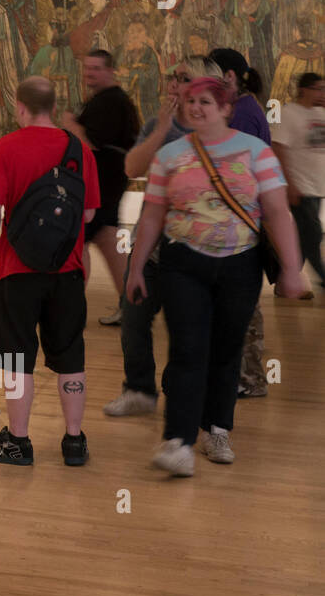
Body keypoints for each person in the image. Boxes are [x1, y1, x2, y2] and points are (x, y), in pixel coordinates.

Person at [127, 77, 304, 477]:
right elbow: (153, 215)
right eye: (190, 101)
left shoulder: (255, 152)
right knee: (188, 350)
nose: (196, 108)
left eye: (206, 101)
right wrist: (136, 267)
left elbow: (277, 213)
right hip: (182, 264)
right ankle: (178, 441)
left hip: (240, 265)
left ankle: (217, 430)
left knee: (226, 351)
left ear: (226, 109)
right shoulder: (170, 156)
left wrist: (291, 271)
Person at [0, 76, 100, 467]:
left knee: (16, 357)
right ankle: (73, 441)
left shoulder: (5, 148)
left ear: (20, 107)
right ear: (54, 106)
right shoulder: (79, 150)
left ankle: (18, 443)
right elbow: (90, 213)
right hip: (68, 270)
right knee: (70, 355)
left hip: (17, 270)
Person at [104, 56, 220, 416]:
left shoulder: (219, 131)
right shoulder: (159, 124)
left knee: (187, 331)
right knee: (134, 317)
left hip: (193, 249)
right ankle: (139, 389)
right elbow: (132, 167)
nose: (174, 83)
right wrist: (161, 129)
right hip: (151, 247)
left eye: (184, 78)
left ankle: (181, 396)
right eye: (174, 76)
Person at [208, 48, 274, 396]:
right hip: (238, 222)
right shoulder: (244, 108)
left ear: (230, 77)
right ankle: (242, 376)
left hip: (243, 223)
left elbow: (240, 170)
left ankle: (250, 379)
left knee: (245, 309)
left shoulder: (245, 113)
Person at [62, 49, 140, 325]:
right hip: (102, 184)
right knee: (102, 241)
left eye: (96, 68)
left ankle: (70, 312)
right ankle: (129, 308)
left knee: (82, 241)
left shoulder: (111, 102)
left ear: (110, 70)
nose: (90, 73)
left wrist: (70, 125)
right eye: (87, 68)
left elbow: (91, 144)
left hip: (102, 184)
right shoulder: (103, 100)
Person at [271, 72, 325, 294]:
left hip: (318, 185)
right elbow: (278, 148)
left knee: (305, 237)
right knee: (313, 233)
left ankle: (285, 283)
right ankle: (323, 277)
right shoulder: (288, 113)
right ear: (304, 89)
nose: (322, 93)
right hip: (300, 187)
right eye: (318, 88)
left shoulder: (321, 113)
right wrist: (288, 183)